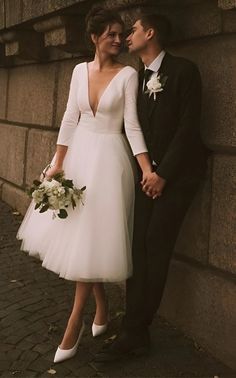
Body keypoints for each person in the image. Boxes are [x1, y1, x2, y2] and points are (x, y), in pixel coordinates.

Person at [17, 6, 153, 364]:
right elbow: (69, 117)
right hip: (78, 158)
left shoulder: (127, 74)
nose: (117, 38)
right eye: (109, 33)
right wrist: (57, 163)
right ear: (93, 37)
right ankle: (103, 307)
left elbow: (133, 125)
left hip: (110, 164)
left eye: (120, 32)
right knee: (81, 238)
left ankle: (73, 324)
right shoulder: (79, 71)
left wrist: (146, 168)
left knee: (92, 237)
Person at [95, 13, 207, 362]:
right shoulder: (138, 77)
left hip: (178, 177)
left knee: (156, 247)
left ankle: (135, 333)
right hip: (147, 177)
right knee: (137, 248)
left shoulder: (184, 71)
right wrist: (147, 172)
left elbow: (188, 129)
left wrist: (164, 175)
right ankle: (133, 324)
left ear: (151, 32)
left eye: (133, 30)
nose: (127, 36)